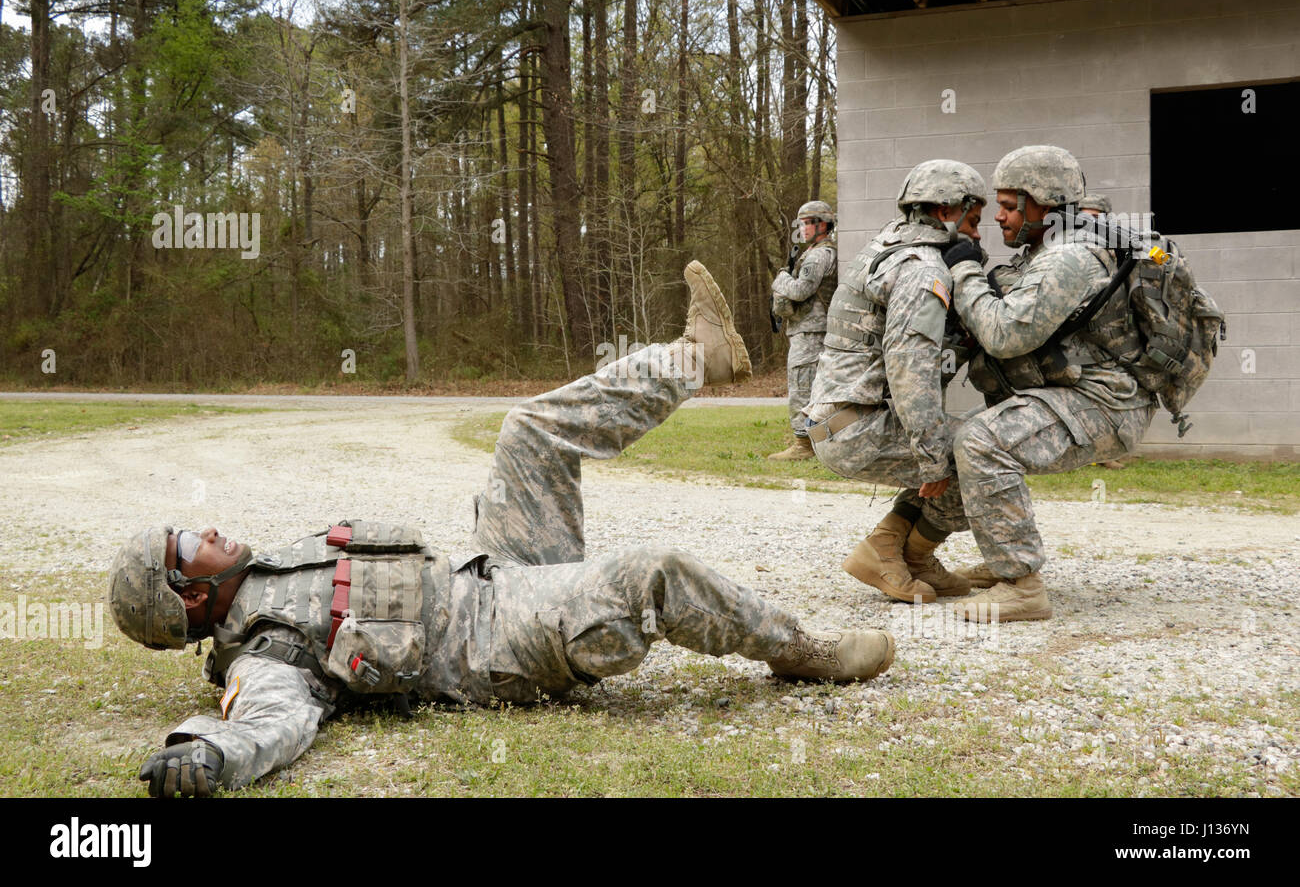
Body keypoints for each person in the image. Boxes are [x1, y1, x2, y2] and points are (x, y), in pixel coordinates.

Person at [109, 262, 896, 797]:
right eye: (186, 546)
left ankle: (698, 358)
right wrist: (204, 752)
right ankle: (805, 654)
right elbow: (267, 723)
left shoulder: (268, 570)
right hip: (499, 643)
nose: (205, 530)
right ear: (187, 598)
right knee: (652, 572)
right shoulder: (267, 653)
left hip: (493, 575)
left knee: (527, 429)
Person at [943, 145, 1156, 622]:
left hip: (1106, 404)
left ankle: (1022, 587)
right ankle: (1004, 561)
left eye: (1009, 205)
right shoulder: (1046, 251)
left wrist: (963, 270)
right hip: (1079, 394)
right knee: (965, 437)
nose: (998, 216)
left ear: (1046, 203)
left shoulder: (1069, 259)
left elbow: (1003, 334)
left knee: (980, 440)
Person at [802, 160, 988, 605]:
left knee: (963, 445)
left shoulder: (884, 248)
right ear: (947, 212)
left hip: (840, 419)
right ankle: (899, 554)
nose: (979, 235)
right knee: (987, 457)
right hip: (857, 426)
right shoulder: (923, 270)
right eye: (975, 221)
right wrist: (931, 459)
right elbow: (910, 368)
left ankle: (897, 553)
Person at [769, 200, 839, 461]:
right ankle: (817, 443)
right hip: (809, 330)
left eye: (808, 223)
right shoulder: (816, 252)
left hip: (811, 332)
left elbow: (800, 291)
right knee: (813, 388)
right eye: (802, 224)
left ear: (822, 225)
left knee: (801, 386)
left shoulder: (820, 254)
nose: (804, 228)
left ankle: (803, 445)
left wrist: (781, 278)